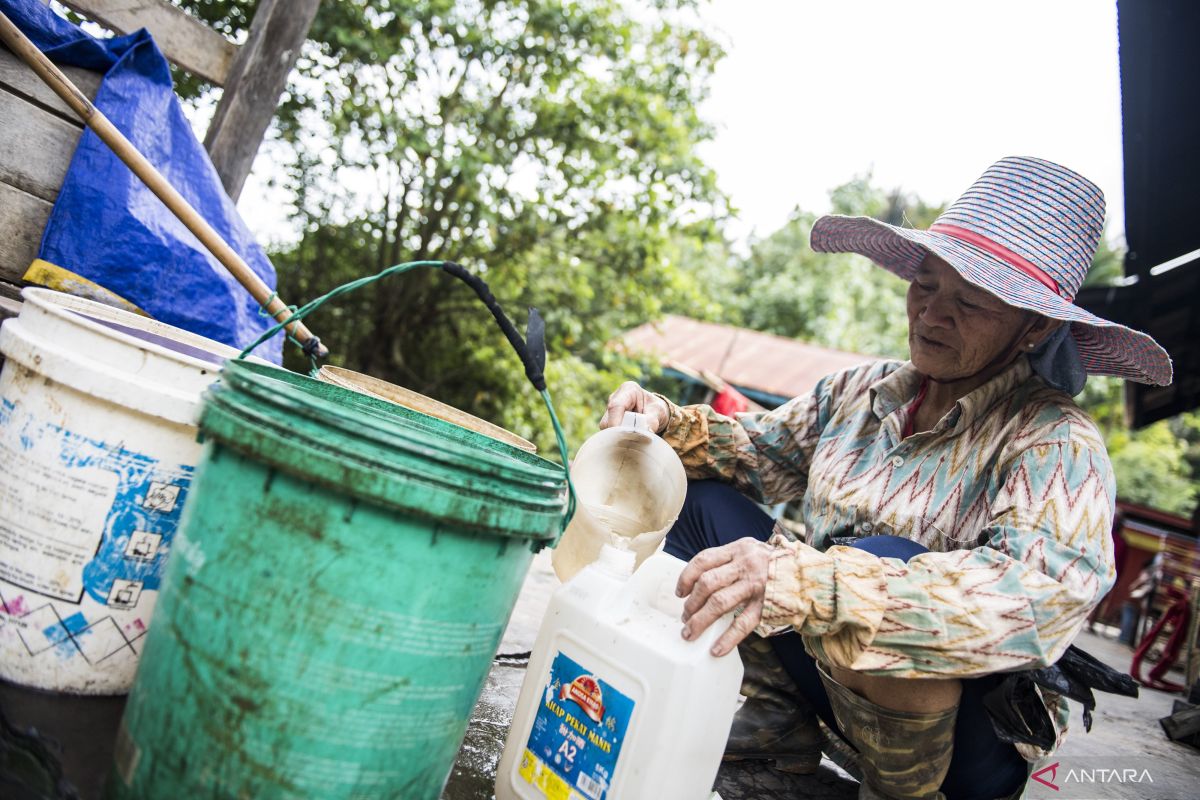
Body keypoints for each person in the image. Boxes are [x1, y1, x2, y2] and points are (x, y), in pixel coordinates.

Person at [600, 157, 1173, 800]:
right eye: (925, 286)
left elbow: (1038, 599)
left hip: (965, 740)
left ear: (1033, 326)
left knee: (881, 560)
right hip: (830, 674)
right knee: (693, 496)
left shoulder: (1056, 441)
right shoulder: (860, 391)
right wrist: (665, 422)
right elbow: (755, 452)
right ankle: (775, 735)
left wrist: (821, 579)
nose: (931, 315)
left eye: (970, 302)